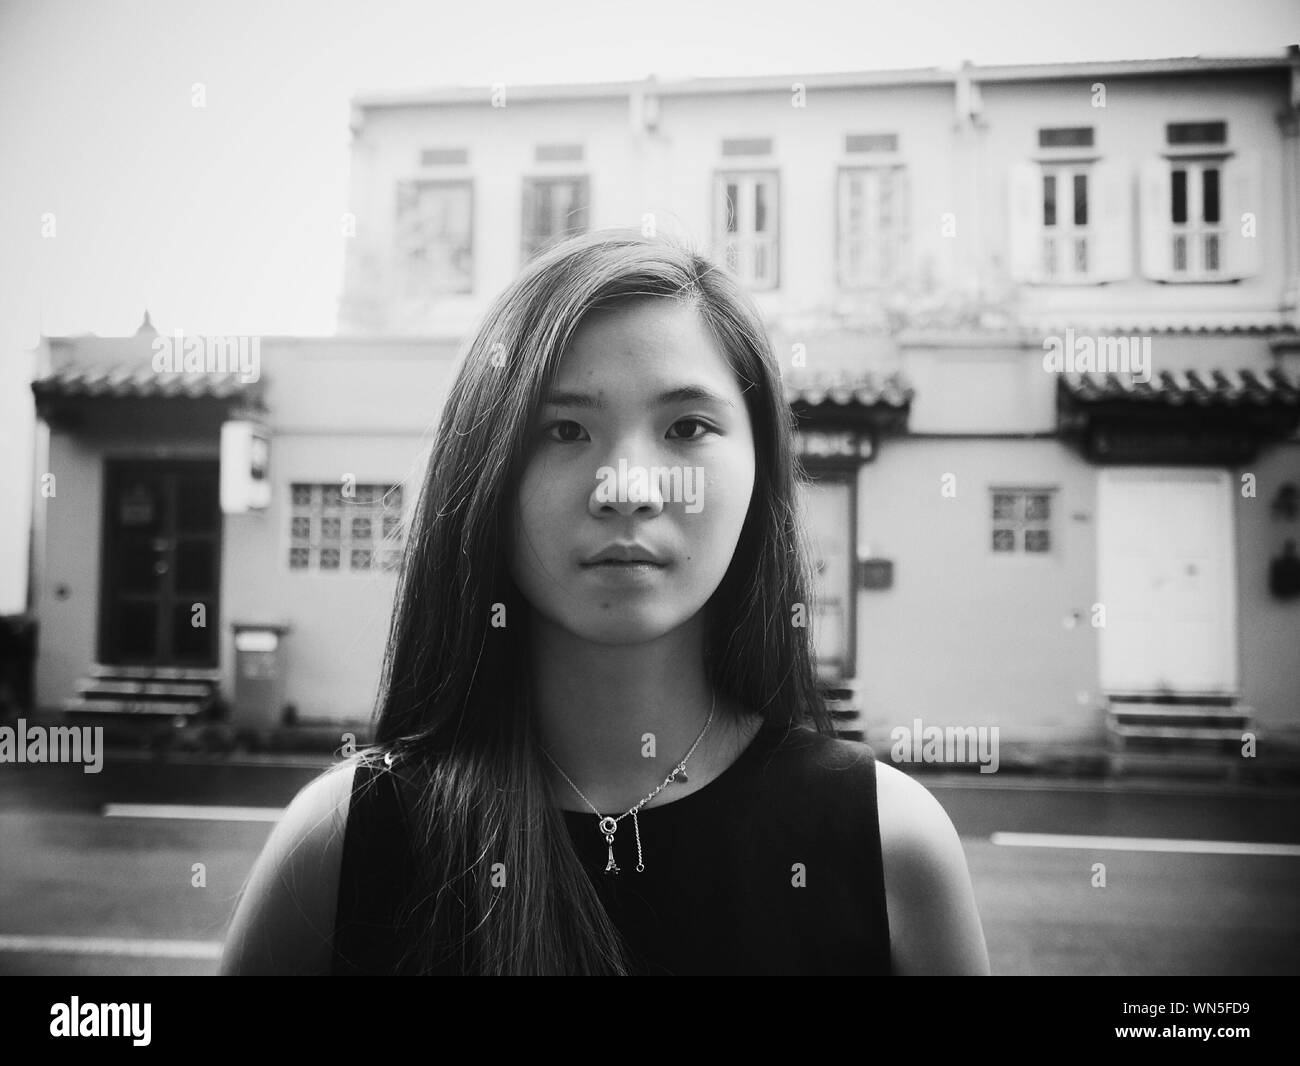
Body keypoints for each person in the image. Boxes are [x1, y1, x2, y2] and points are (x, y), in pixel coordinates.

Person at [220, 228, 990, 976]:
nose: (627, 488)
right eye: (564, 430)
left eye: (687, 426)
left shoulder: (890, 845)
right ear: (483, 472)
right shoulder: (344, 843)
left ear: (760, 473)